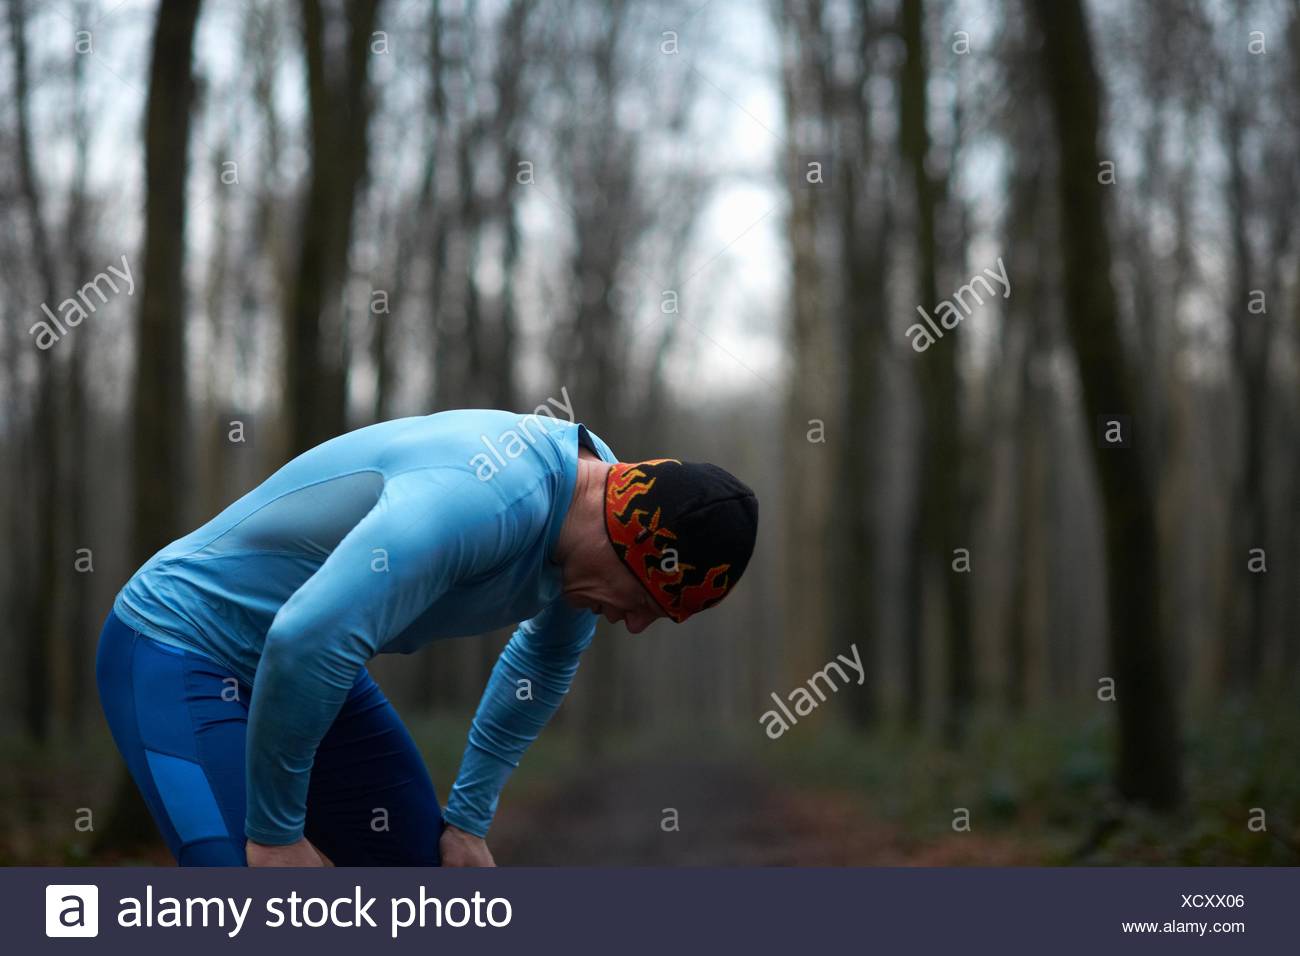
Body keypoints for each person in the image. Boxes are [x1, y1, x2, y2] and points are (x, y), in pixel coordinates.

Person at [96, 409, 758, 866]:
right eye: (644, 601)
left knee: (420, 872)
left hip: (315, 665)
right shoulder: (483, 497)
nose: (635, 623)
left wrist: (468, 822)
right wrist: (274, 836)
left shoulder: (602, 514)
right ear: (626, 541)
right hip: (179, 645)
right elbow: (305, 636)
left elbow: (544, 660)